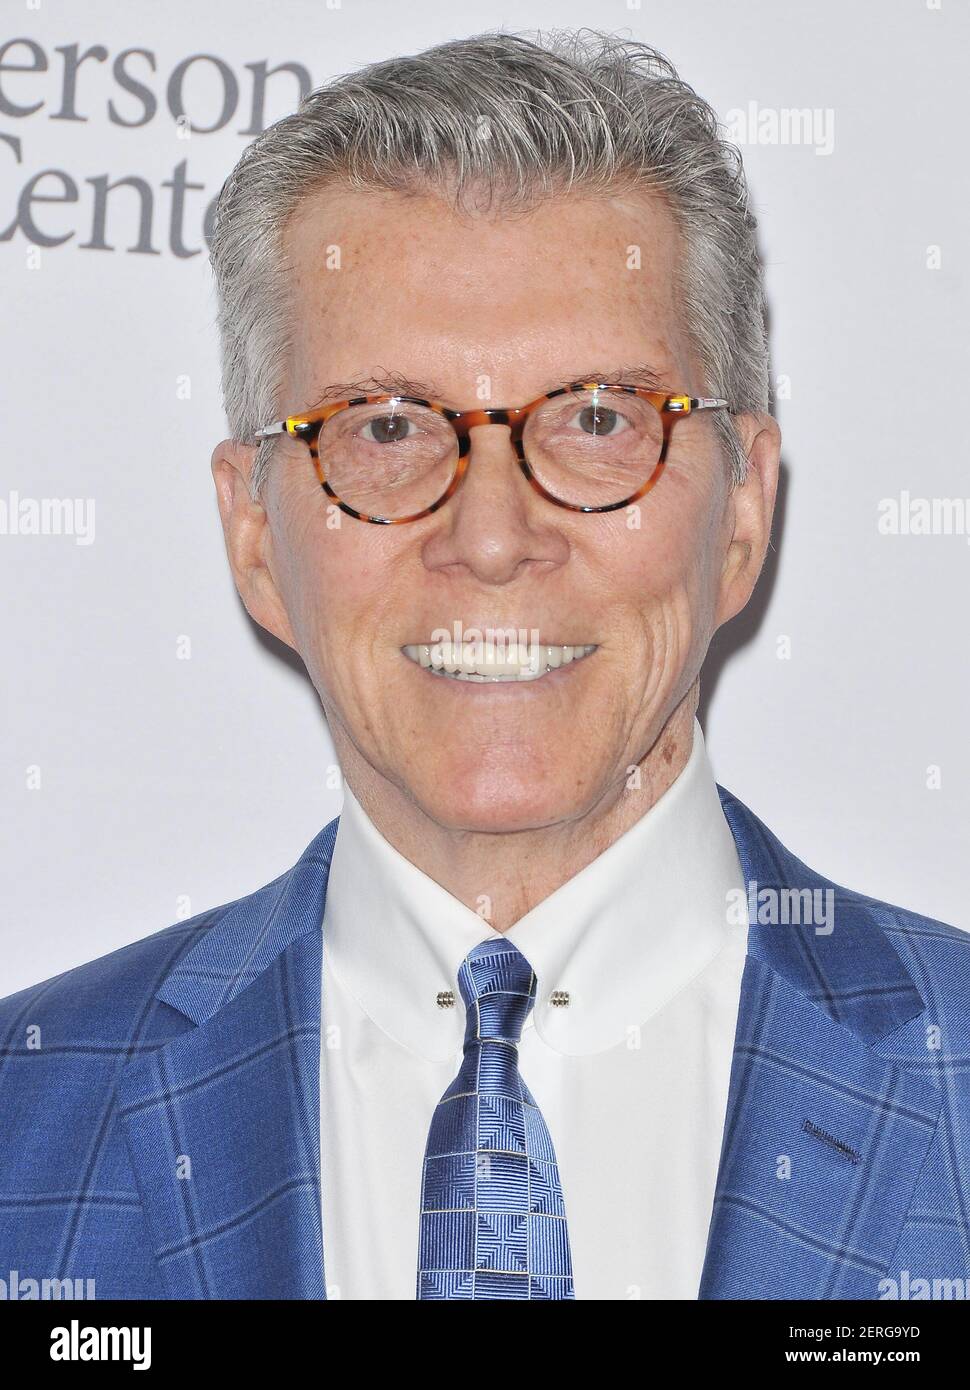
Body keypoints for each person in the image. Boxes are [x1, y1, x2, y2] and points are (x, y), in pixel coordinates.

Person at [2, 30, 967, 1301]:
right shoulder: (28, 1118)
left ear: (741, 510)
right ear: (253, 533)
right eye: (386, 426)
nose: (495, 537)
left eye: (599, 418)